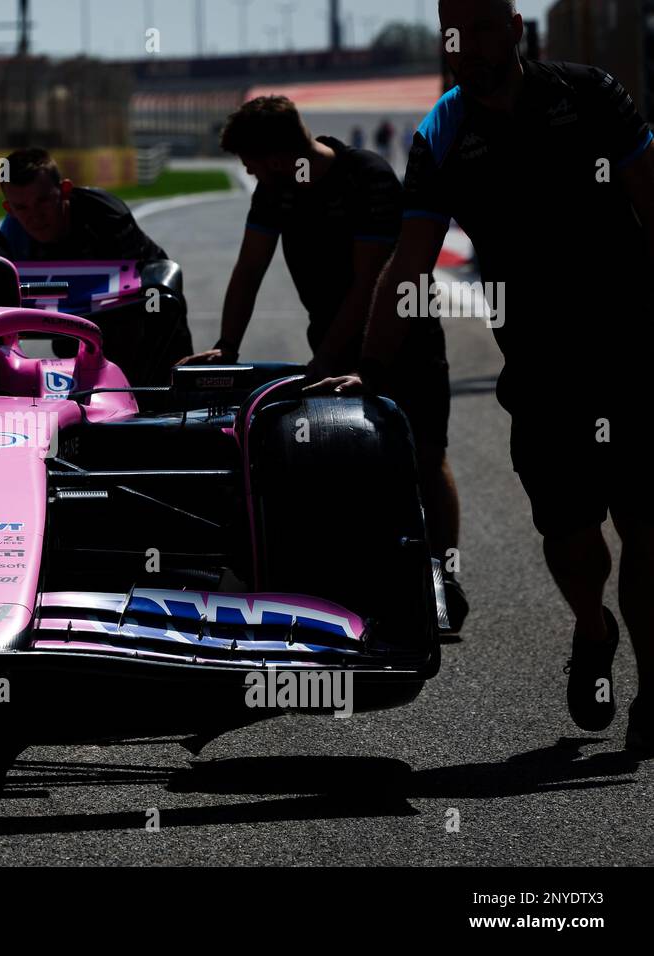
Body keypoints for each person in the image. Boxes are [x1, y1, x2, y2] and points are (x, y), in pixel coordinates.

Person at [311, 0, 654, 750]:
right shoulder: (443, 133)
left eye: (485, 26)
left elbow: (651, 197)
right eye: (454, 32)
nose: (468, 44)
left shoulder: (590, 92)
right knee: (571, 534)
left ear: (516, 31)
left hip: (633, 349)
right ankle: (593, 629)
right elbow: (410, 263)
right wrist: (370, 369)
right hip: (540, 363)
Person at [180, 96, 466, 628]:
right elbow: (249, 269)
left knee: (424, 455)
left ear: (275, 153)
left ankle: (443, 576)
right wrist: (228, 345)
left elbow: (366, 287)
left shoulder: (368, 178)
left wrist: (322, 362)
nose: (248, 171)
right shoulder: (273, 190)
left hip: (405, 333)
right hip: (330, 338)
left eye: (251, 161)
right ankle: (367, 573)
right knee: (345, 457)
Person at [0, 147, 192, 384]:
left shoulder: (106, 215)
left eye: (43, 201)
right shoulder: (10, 235)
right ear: (9, 209)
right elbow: (2, 313)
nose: (35, 216)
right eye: (21, 208)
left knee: (157, 378)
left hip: (145, 313)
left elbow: (138, 301)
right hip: (71, 319)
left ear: (65, 190)